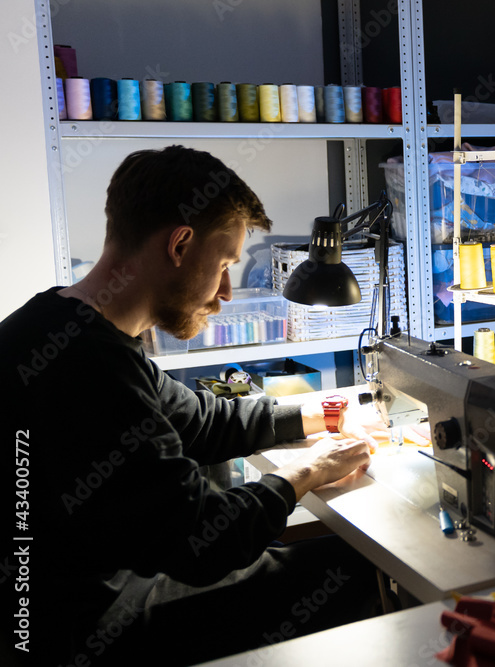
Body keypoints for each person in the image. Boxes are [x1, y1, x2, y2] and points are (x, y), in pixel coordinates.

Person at [0, 146, 380, 666]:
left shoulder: (64, 325)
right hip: (80, 631)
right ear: (179, 245)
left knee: (302, 556)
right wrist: (307, 471)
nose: (226, 291)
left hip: (82, 596)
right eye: (224, 265)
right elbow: (204, 541)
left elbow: (198, 421)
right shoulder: (87, 367)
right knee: (356, 568)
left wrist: (320, 413)